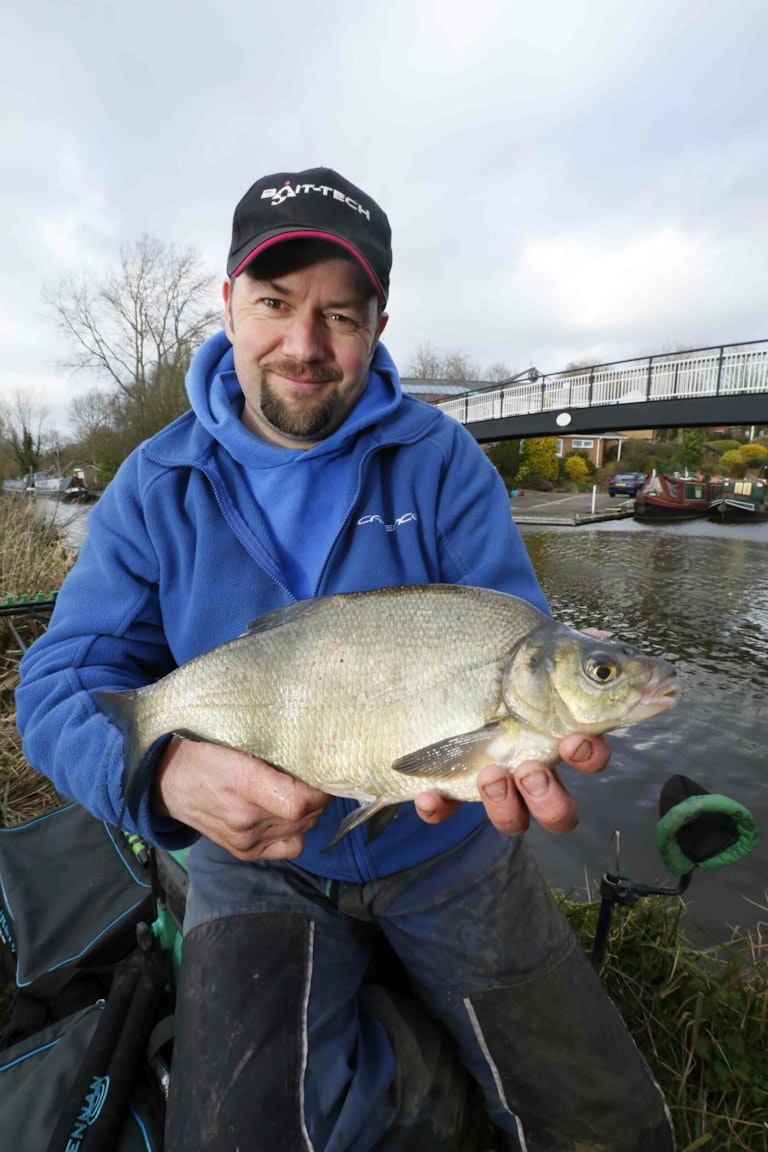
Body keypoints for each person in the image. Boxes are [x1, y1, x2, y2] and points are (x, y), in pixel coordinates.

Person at [16, 167, 674, 1151]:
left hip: (448, 852)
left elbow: (519, 633)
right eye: (275, 304)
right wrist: (161, 771)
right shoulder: (153, 484)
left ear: (378, 322)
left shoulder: (442, 461)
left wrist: (530, 744)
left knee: (608, 1125)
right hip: (249, 869)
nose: (305, 345)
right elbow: (59, 687)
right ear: (228, 303)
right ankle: (417, 1062)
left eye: (341, 315)